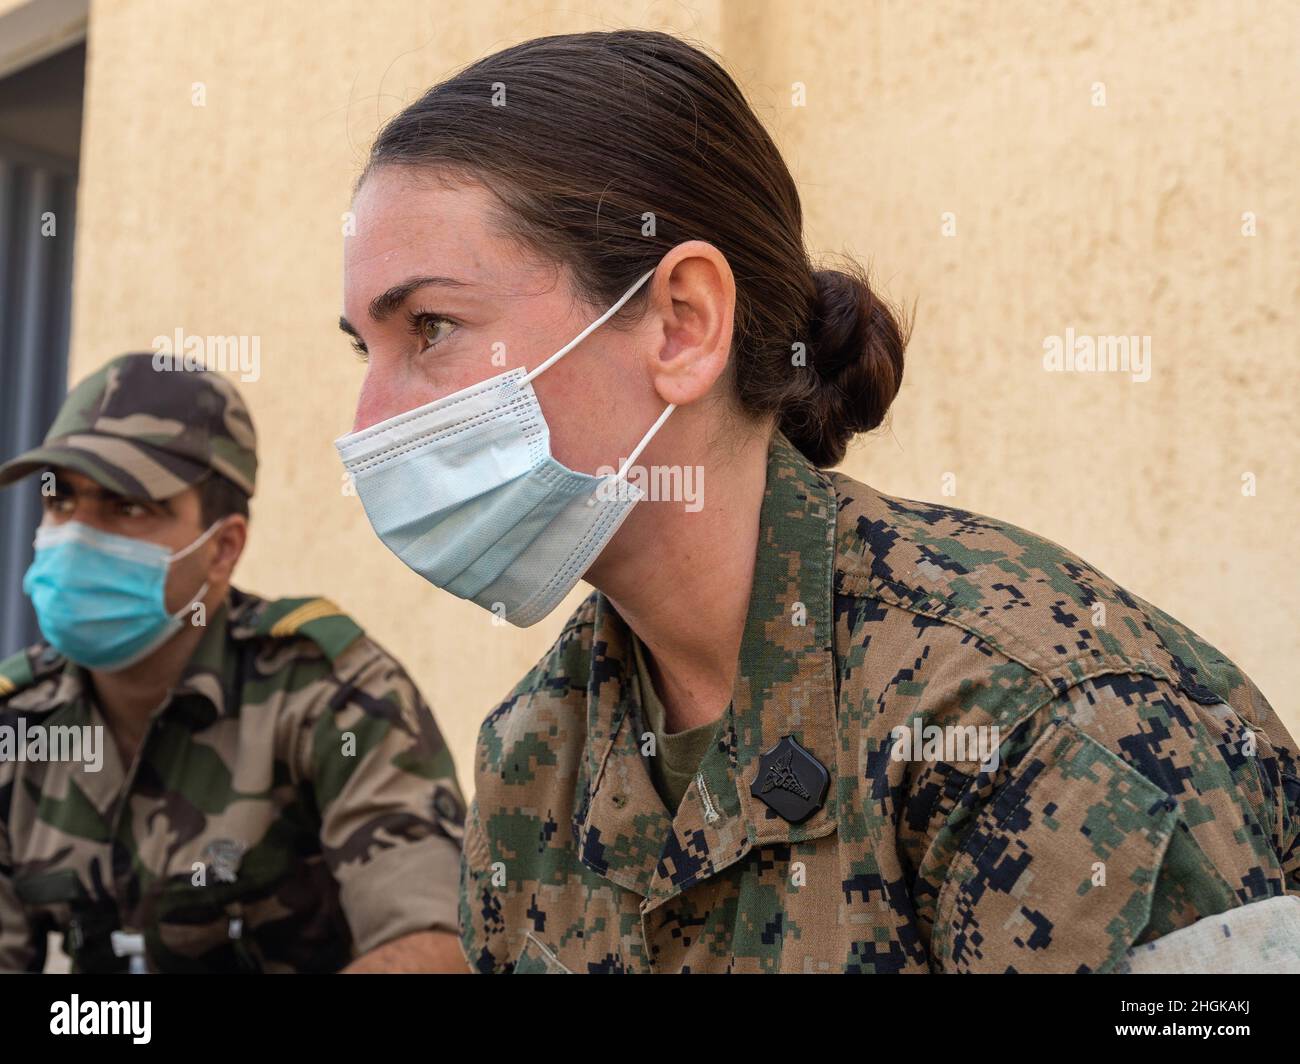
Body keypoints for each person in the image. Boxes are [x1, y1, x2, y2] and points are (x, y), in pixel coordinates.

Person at [335, 29, 1300, 973]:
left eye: (431, 327)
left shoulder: (1027, 714)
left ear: (681, 324)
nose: (370, 418)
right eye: (361, 350)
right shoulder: (535, 752)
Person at [0, 353, 465, 973]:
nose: (77, 534)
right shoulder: (17, 723)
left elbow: (435, 945)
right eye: (61, 502)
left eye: (126, 507)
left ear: (222, 548)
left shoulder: (332, 696)